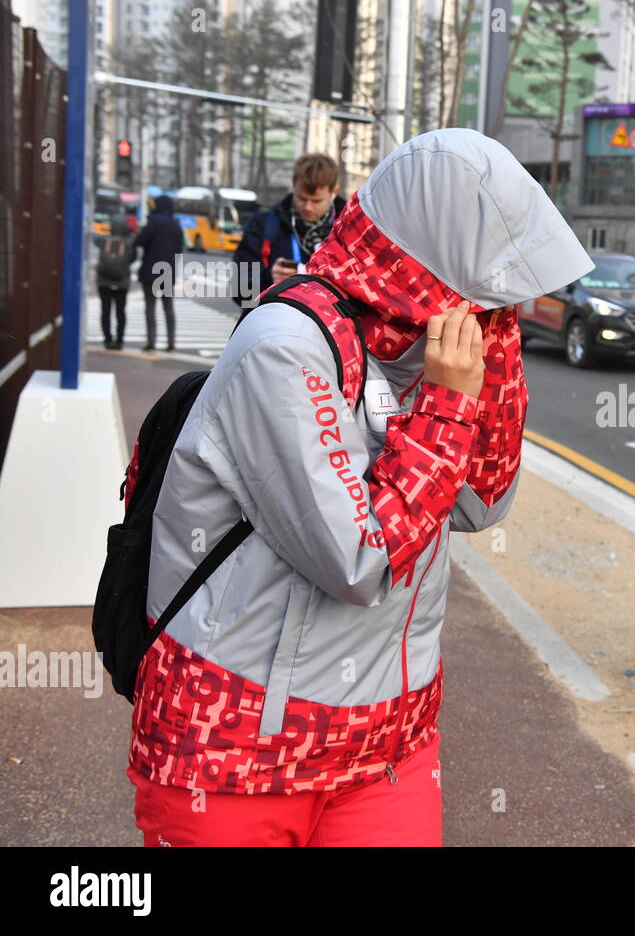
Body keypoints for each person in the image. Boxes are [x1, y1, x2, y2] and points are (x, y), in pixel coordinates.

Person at [125, 128, 594, 846]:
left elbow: (477, 503)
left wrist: (490, 368)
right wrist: (447, 405)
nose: (505, 309)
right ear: (431, 254)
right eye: (494, 284)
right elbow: (357, 560)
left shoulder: (423, 344)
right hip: (237, 749)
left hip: (388, 747)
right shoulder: (286, 345)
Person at [232, 152, 347, 307]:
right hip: (275, 324)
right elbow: (239, 291)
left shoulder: (349, 230)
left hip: (332, 327)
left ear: (334, 193)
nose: (308, 207)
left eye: (316, 201)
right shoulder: (264, 223)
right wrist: (269, 277)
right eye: (301, 198)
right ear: (293, 187)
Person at [133, 195, 185, 352]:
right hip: (167, 273)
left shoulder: (153, 222)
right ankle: (171, 343)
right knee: (168, 307)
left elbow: (139, 241)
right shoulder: (176, 225)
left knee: (150, 306)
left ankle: (151, 342)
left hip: (150, 272)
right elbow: (179, 249)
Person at [96, 215, 133, 349]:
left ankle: (107, 339)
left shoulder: (103, 241)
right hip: (121, 281)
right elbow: (132, 258)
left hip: (104, 281)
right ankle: (119, 340)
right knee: (120, 312)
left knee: (105, 311)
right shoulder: (128, 243)